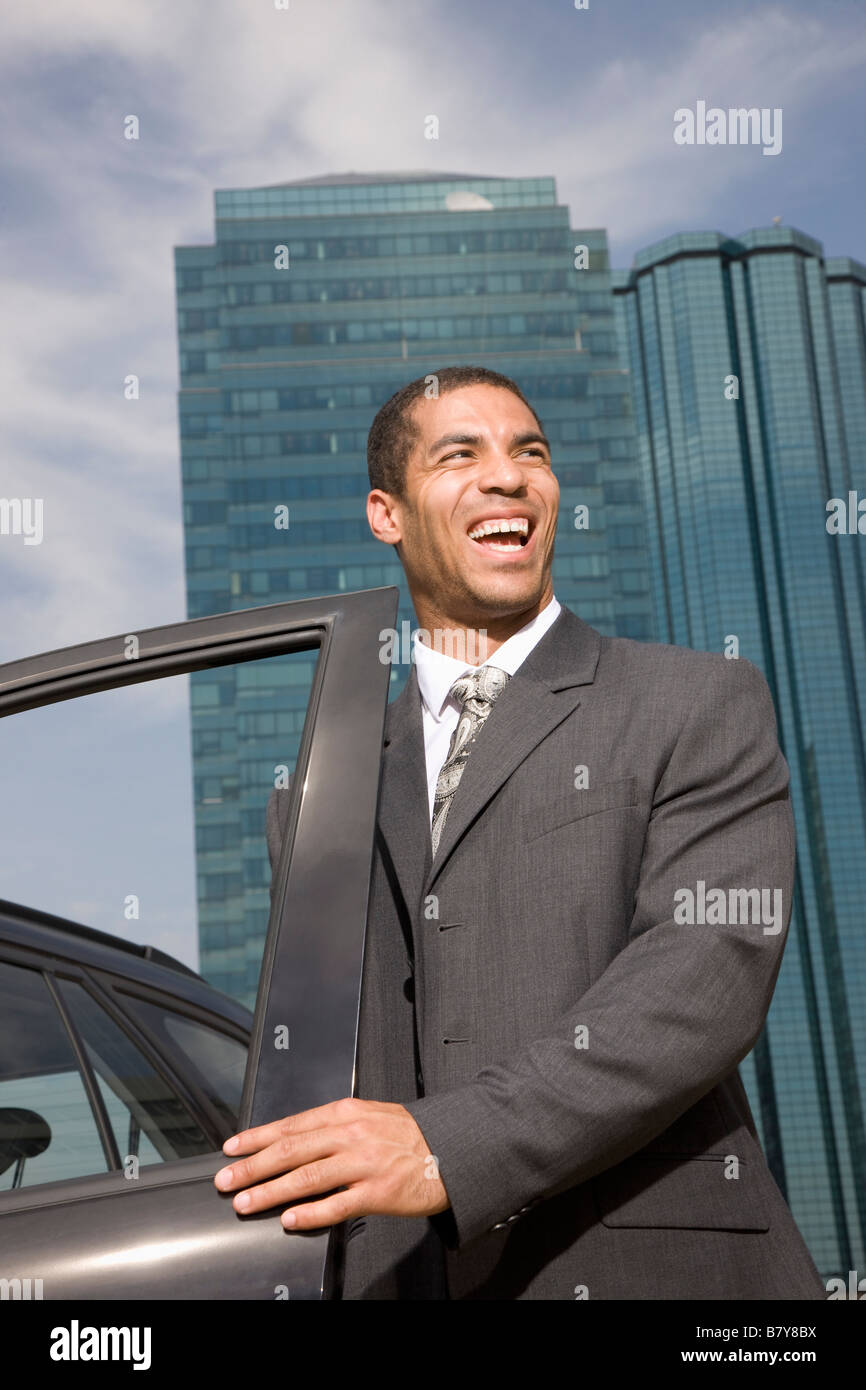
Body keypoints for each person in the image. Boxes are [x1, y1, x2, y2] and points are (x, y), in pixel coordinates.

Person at [214, 365, 825, 1300]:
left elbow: (701, 981)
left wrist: (447, 1151)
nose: (510, 477)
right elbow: (329, 1056)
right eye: (461, 455)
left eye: (529, 452)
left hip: (661, 1272)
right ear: (387, 514)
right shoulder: (314, 796)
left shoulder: (697, 702)